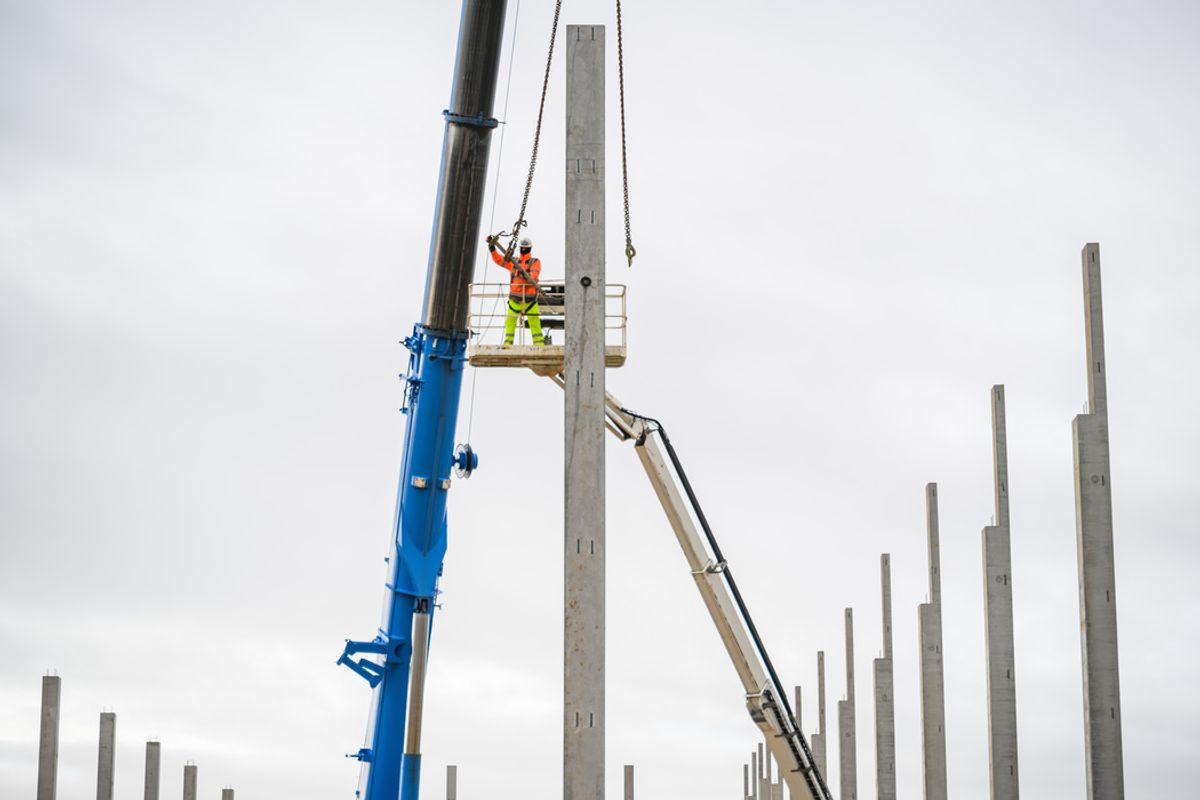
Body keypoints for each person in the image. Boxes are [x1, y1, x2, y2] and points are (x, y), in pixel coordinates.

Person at [488, 235, 545, 347]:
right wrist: (492, 248)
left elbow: (533, 276)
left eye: (525, 248)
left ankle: (539, 345)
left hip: (530, 300)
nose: (523, 250)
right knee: (510, 322)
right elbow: (499, 260)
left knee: (534, 323)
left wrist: (521, 274)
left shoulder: (534, 262)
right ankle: (508, 344)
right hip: (515, 300)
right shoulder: (513, 262)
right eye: (522, 248)